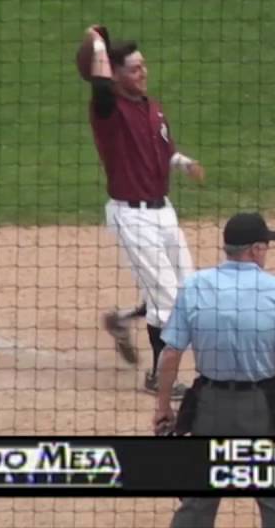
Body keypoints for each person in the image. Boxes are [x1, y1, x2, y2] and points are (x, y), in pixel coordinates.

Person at [153, 212, 275, 528]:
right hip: (259, 410)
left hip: (209, 407)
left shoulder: (196, 286)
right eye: (266, 246)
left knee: (198, 501)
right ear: (255, 249)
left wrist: (163, 408)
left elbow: (170, 354)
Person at [83, 25, 206, 397]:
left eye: (143, 66)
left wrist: (184, 162)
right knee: (167, 301)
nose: (143, 72)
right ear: (117, 74)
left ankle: (121, 320)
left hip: (163, 212)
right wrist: (99, 42)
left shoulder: (153, 108)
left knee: (187, 293)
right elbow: (99, 85)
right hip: (132, 217)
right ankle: (157, 378)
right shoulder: (108, 111)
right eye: (134, 69)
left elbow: (164, 149)